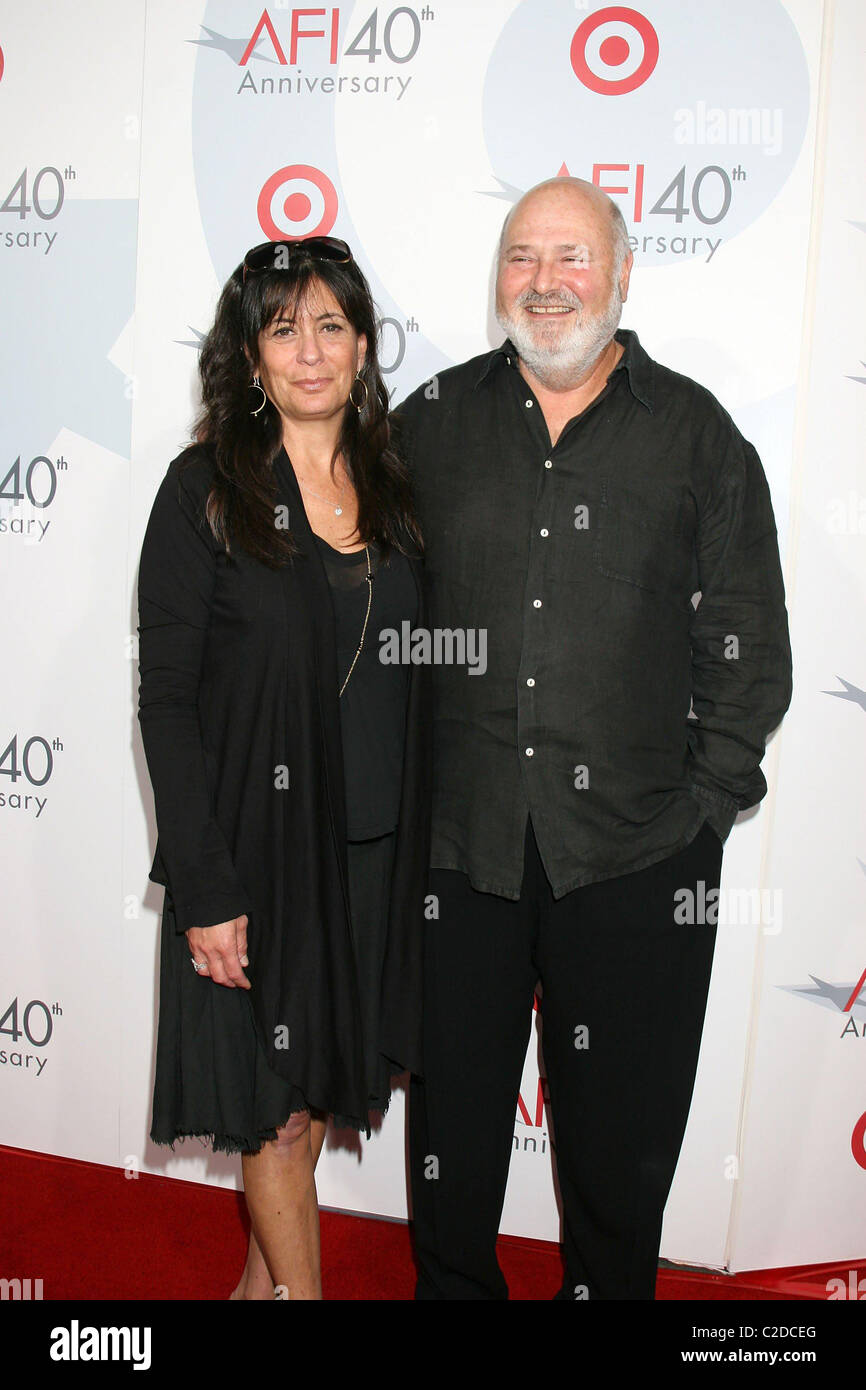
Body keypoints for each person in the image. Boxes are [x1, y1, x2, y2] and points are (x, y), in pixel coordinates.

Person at [396, 176, 793, 1300]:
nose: (545, 281)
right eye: (522, 256)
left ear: (619, 272)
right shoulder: (429, 422)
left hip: (634, 859)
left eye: (570, 256)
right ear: (497, 279)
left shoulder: (695, 436)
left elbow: (748, 646)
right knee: (454, 1144)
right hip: (458, 850)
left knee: (621, 1151)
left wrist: (696, 817)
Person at [137, 234, 430, 1300]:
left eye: (331, 325)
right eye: (281, 326)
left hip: (365, 860)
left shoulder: (397, 487)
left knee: (303, 1105)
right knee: (268, 1106)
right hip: (254, 863)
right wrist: (204, 889)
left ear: (361, 344)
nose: (309, 351)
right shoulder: (203, 490)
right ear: (249, 356)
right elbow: (164, 703)